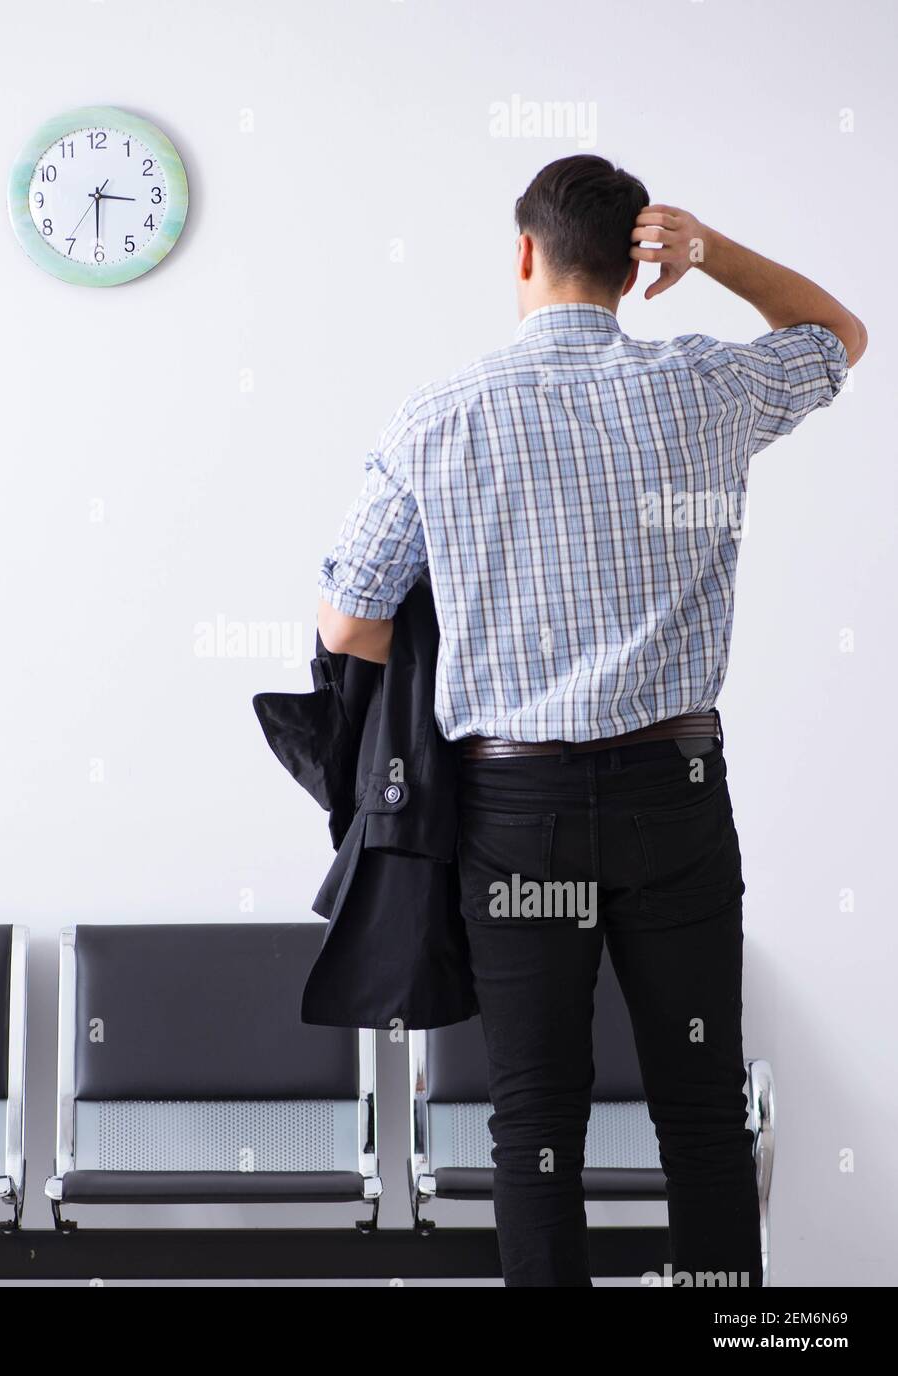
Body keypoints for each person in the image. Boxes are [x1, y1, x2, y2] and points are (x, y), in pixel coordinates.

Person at [315, 154, 866, 1287]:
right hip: (675, 799)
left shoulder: (441, 414)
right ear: (634, 264)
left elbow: (347, 627)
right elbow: (836, 333)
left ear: (523, 253)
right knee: (704, 1111)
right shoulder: (705, 387)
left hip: (515, 816)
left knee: (535, 1123)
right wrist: (712, 253)